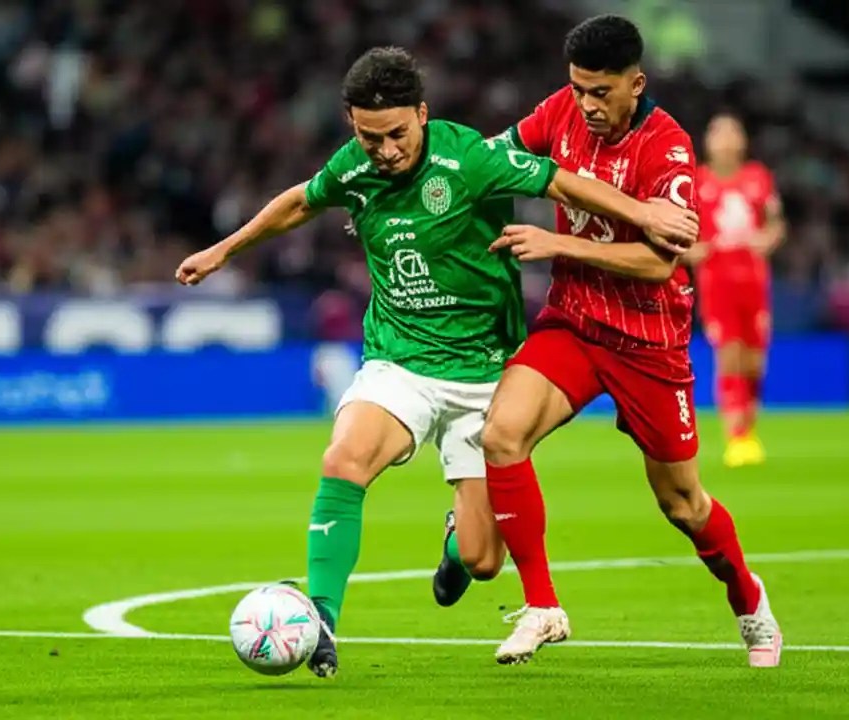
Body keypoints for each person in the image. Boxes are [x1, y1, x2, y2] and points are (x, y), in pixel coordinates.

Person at [175, 46, 699, 679]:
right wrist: (224, 251)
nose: (386, 150)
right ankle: (319, 618)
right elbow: (300, 201)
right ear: (352, 125)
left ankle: (457, 542)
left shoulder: (471, 157)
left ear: (422, 114)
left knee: (482, 562)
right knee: (344, 459)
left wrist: (643, 213)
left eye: (397, 133)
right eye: (371, 137)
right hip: (400, 362)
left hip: (485, 376)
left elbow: (559, 180)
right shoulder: (354, 168)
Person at [430, 15, 783, 668]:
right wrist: (426, 189)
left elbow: (661, 262)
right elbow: (487, 157)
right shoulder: (561, 112)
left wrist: (557, 242)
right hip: (575, 322)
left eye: (600, 92)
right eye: (578, 89)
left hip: (647, 341)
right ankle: (542, 607)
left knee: (682, 504)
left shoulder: (668, 148)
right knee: (502, 434)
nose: (586, 105)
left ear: (635, 83)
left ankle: (746, 592)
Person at [685, 112, 785, 467]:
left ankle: (750, 430)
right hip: (717, 280)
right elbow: (682, 233)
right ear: (708, 141)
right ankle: (735, 436)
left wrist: (768, 240)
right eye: (719, 133)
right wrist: (690, 250)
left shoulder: (758, 178)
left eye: (733, 132)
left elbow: (775, 224)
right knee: (730, 354)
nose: (727, 140)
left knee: (756, 361)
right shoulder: (696, 182)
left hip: (754, 280)